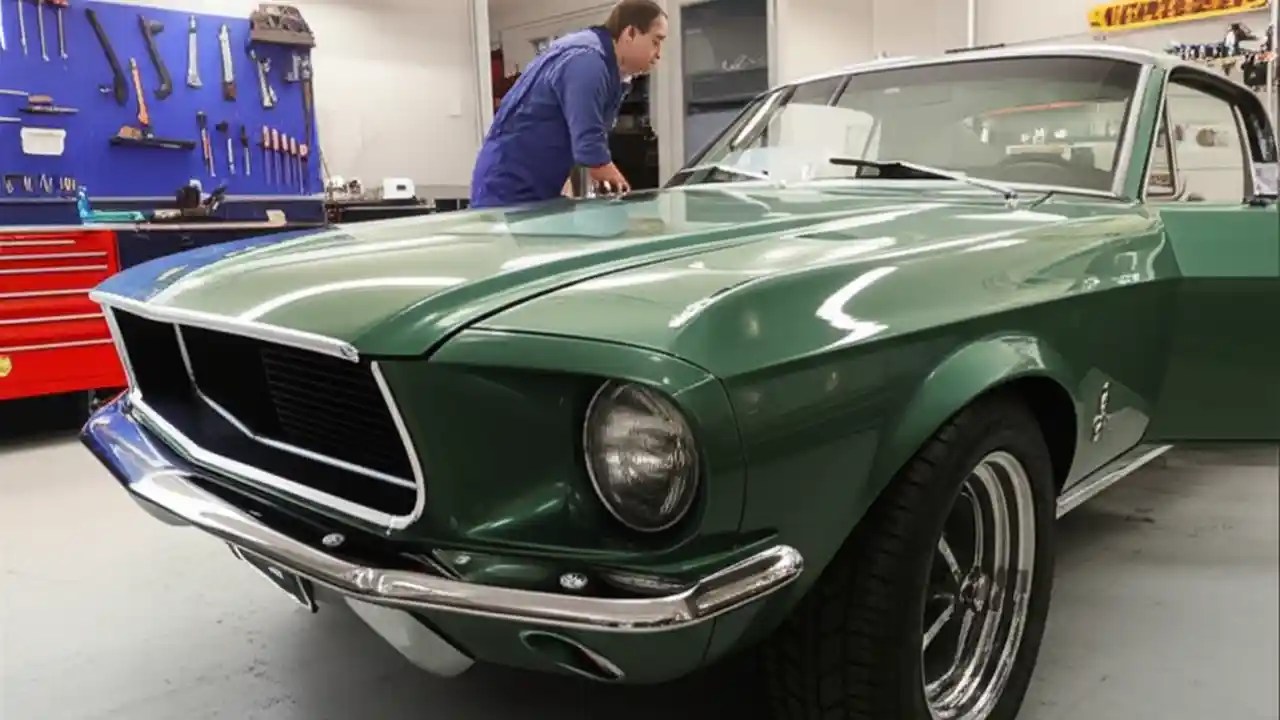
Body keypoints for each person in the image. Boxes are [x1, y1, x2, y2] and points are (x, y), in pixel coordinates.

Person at [469, 0, 667, 209]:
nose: (659, 54)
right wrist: (627, 199)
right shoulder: (588, 59)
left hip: (536, 187)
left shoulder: (607, 67)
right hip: (508, 188)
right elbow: (590, 148)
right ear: (630, 33)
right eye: (656, 41)